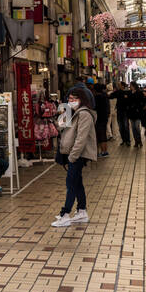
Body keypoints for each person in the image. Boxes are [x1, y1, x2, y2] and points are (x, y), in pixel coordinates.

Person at [52, 85, 97, 228]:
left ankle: (65, 214)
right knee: (77, 183)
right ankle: (82, 211)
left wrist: (73, 157)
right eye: (69, 98)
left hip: (77, 154)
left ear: (82, 99)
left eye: (74, 98)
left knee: (70, 184)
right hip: (71, 153)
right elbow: (59, 127)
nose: (71, 100)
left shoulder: (85, 114)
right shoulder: (73, 112)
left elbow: (81, 139)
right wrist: (64, 112)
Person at [93, 82, 111, 157]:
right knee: (103, 133)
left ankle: (104, 152)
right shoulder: (105, 95)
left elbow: (94, 107)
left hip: (99, 117)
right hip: (105, 117)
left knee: (101, 135)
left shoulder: (98, 97)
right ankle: (104, 151)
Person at [128, 84, 146, 148]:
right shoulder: (129, 93)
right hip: (131, 113)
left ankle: (139, 141)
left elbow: (143, 101)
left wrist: (139, 108)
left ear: (134, 86)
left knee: (137, 127)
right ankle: (136, 141)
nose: (130, 87)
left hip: (137, 113)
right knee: (133, 128)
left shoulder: (139, 93)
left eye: (131, 86)